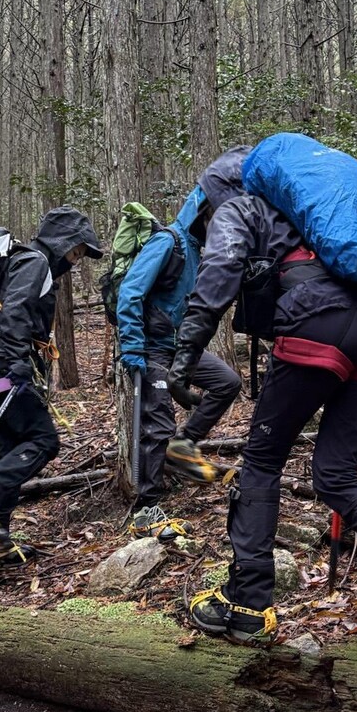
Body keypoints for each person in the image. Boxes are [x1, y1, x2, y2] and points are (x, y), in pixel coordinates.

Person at [171, 147, 357, 653]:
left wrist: (186, 354)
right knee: (335, 474)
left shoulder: (243, 207)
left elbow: (220, 269)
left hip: (320, 325)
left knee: (262, 461)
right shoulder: (324, 216)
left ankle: (246, 602)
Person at [0, 207, 103, 571]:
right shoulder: (35, 261)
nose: (76, 261)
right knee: (43, 442)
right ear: (64, 243)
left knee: (11, 453)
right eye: (77, 252)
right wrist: (17, 361)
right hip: (1, 365)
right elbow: (16, 311)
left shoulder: (21, 260)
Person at [115, 186, 242, 530]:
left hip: (180, 349)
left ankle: (183, 446)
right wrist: (131, 347)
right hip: (149, 347)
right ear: (202, 212)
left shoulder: (199, 252)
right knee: (157, 424)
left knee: (227, 383)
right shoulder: (167, 242)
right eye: (215, 214)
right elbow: (130, 291)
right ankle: (147, 508)